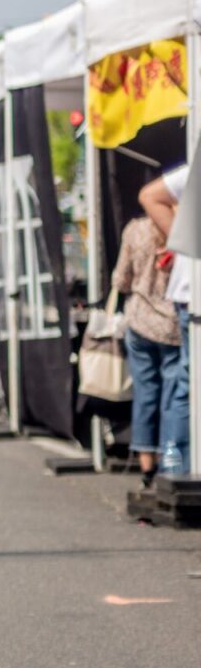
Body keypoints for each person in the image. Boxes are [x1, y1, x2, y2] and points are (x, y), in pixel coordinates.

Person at [112, 208, 183, 487]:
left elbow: (120, 280)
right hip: (172, 325)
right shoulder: (182, 230)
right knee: (173, 399)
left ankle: (145, 467)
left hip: (140, 321)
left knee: (145, 395)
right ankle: (171, 464)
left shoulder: (135, 229)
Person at [139, 167, 192, 475]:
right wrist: (187, 245)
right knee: (183, 383)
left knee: (181, 384)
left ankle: (174, 469)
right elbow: (149, 196)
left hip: (182, 297)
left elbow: (149, 195)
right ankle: (177, 470)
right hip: (189, 295)